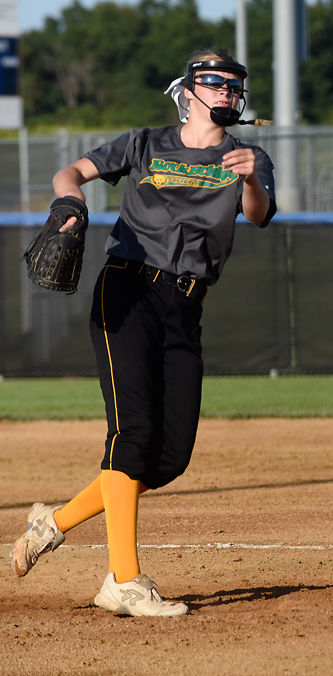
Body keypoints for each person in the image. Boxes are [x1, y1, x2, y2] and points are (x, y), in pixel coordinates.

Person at [9, 49, 276, 616]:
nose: (228, 93)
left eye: (235, 86)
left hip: (187, 303)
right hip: (127, 291)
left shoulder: (248, 157)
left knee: (169, 456)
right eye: (217, 84)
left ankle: (53, 523)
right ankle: (123, 581)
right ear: (190, 90)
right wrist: (70, 200)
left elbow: (257, 214)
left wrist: (252, 180)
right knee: (131, 432)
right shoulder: (144, 144)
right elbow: (72, 171)